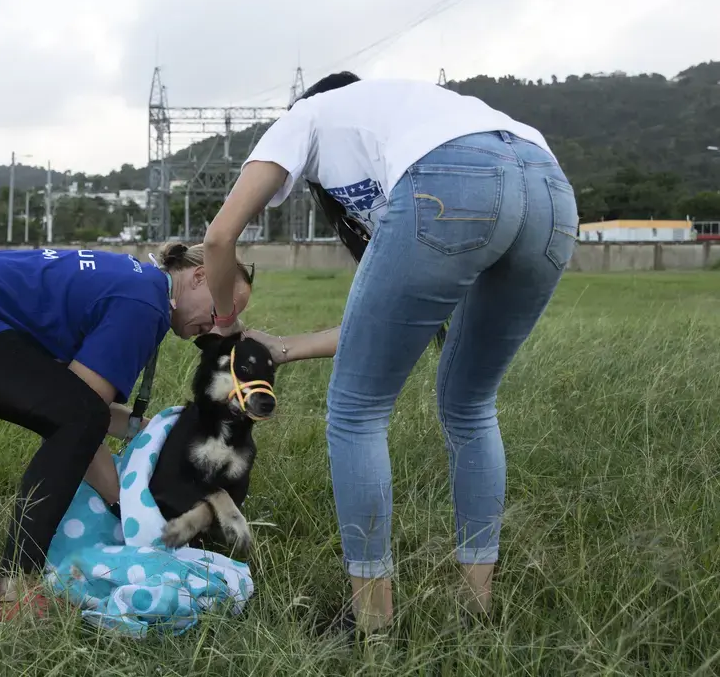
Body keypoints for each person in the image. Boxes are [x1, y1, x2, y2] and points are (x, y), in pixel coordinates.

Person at [203, 72, 578, 635]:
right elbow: (391, 323)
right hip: (549, 186)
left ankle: (372, 624)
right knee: (471, 407)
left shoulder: (306, 115)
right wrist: (282, 348)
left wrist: (226, 324)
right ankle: (476, 610)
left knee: (356, 412)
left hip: (456, 175)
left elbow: (218, 238)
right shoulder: (401, 125)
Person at [0, 243, 254, 621]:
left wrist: (154, 432)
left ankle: (17, 581)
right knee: (78, 421)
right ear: (199, 277)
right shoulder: (143, 305)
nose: (218, 326)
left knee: (77, 415)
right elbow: (80, 420)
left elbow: (77, 399)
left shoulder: (142, 285)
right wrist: (132, 510)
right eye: (221, 310)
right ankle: (13, 591)